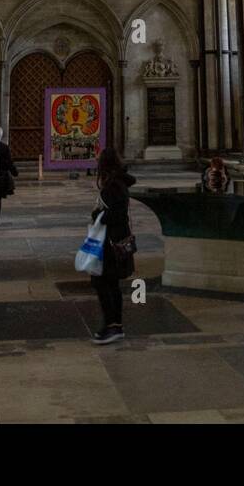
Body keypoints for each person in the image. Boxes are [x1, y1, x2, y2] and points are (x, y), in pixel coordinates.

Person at [89, 147, 136, 345]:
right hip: (115, 239)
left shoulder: (114, 186)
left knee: (102, 282)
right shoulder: (117, 183)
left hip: (111, 242)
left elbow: (116, 214)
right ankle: (115, 325)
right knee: (111, 283)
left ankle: (111, 326)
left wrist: (98, 215)